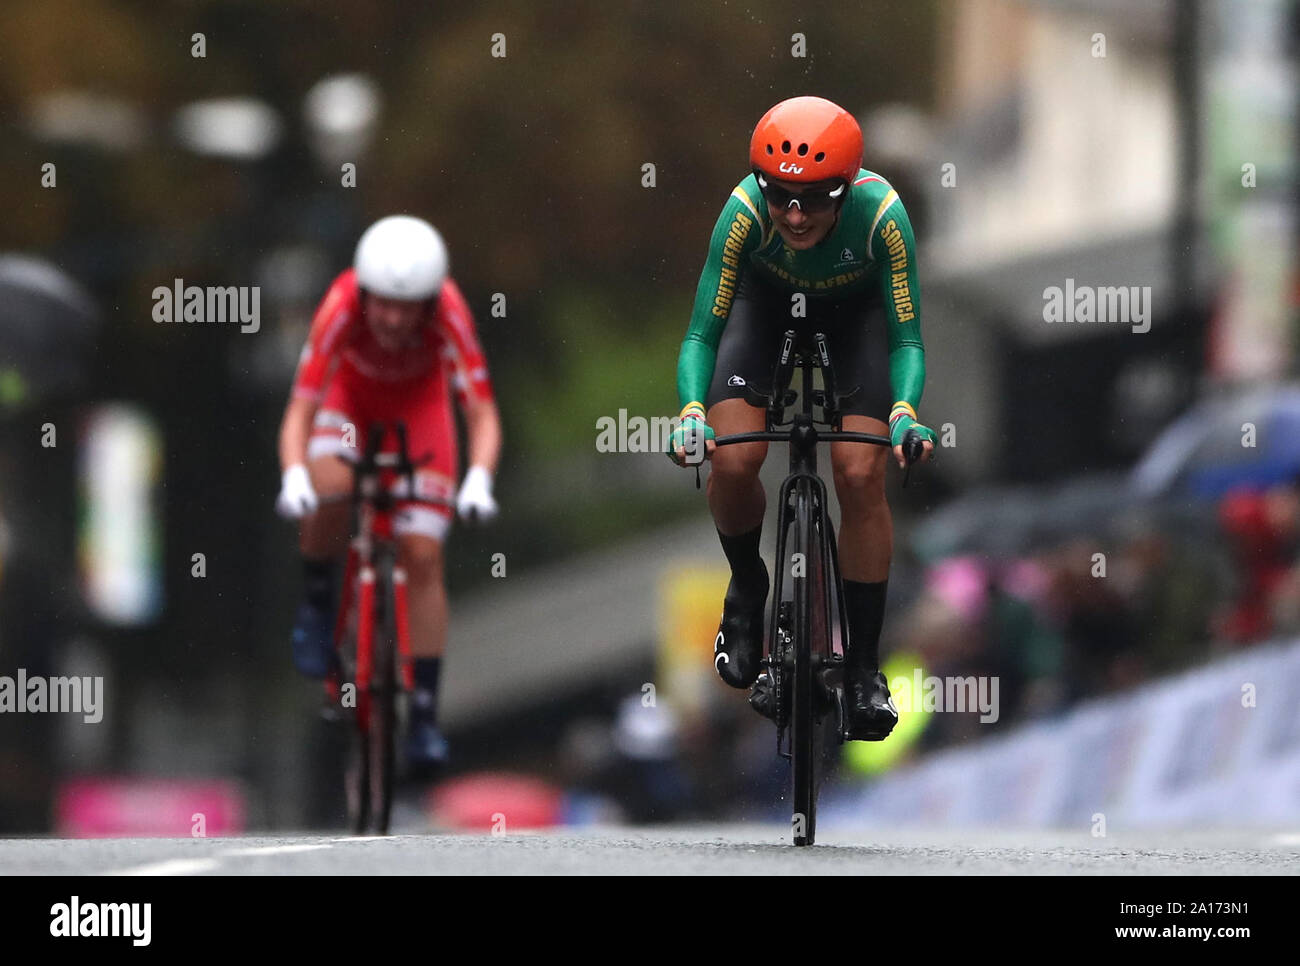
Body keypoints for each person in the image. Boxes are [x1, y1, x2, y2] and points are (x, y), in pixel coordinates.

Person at [668, 96, 936, 740]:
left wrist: (903, 413)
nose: (794, 215)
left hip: (857, 321)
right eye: (780, 196)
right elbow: (703, 333)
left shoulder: (883, 219)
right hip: (764, 312)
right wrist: (692, 412)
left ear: (846, 191)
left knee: (858, 472)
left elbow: (906, 340)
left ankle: (865, 669)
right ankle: (747, 591)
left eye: (816, 199)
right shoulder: (741, 217)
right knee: (733, 458)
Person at [275, 214, 502, 767]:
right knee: (330, 483)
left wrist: (479, 477)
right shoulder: (338, 306)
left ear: (430, 303)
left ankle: (422, 714)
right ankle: (319, 601)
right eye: (384, 305)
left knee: (423, 554)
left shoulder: (449, 312)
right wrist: (294, 475)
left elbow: (481, 411)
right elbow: (301, 410)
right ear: (364, 293)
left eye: (410, 307)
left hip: (421, 408)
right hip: (350, 402)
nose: (396, 320)